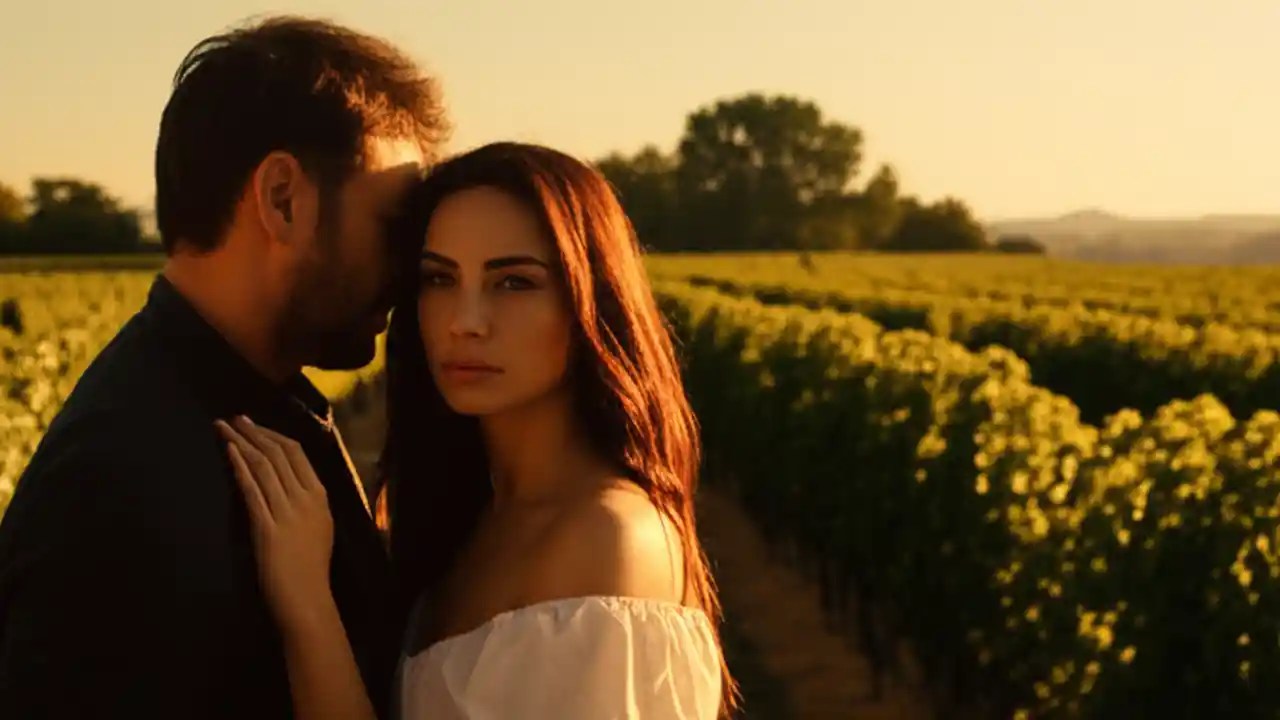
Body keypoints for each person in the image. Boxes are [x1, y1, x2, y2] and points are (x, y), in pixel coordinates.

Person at [0, 16, 447, 718]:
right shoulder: (122, 479)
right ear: (282, 200)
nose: (410, 269)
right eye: (393, 226)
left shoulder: (235, 407)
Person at [214, 141, 741, 718]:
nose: (465, 322)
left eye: (513, 282)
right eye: (439, 280)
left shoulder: (604, 538)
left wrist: (307, 606)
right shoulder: (471, 520)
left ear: (590, 301)